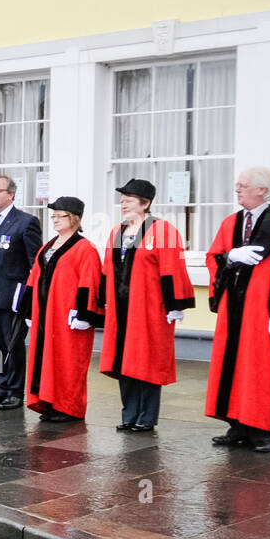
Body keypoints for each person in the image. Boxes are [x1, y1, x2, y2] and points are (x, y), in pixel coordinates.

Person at [205, 168, 270, 452]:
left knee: (263, 368)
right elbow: (213, 257)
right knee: (234, 366)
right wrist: (229, 256)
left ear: (262, 190)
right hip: (234, 308)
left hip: (262, 310)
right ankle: (237, 425)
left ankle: (264, 431)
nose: (237, 190)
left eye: (243, 186)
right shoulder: (231, 223)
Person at [99, 179, 195, 433]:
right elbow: (108, 270)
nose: (123, 204)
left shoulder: (162, 231)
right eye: (122, 200)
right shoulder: (118, 231)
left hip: (149, 310)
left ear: (146, 203)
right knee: (124, 361)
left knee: (147, 361)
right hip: (121, 312)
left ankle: (146, 417)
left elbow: (172, 269)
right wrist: (104, 302)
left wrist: (176, 305)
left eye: (129, 200)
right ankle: (129, 414)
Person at [19, 197, 103, 423]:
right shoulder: (48, 245)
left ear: (74, 218)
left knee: (68, 361)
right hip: (46, 316)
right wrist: (29, 312)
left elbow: (90, 281)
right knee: (46, 360)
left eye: (60, 215)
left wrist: (84, 314)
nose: (54, 219)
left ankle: (69, 407)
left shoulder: (85, 248)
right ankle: (48, 401)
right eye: (53, 215)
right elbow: (33, 277)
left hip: (69, 317)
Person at [0, 175, 42, 410]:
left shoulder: (25, 222)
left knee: (12, 345)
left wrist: (30, 296)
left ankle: (14, 391)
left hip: (12, 295)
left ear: (11, 194)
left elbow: (35, 263)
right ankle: (0, 387)